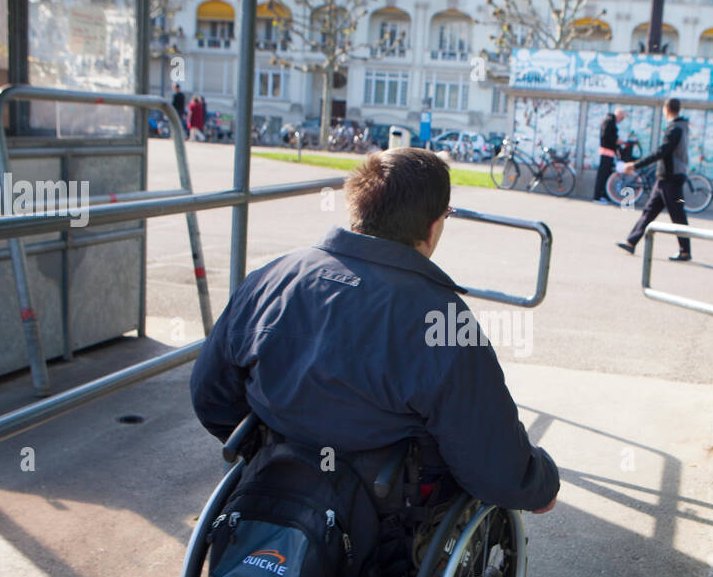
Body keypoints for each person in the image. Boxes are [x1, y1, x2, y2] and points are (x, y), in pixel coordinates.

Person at [190, 147, 559, 516]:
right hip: (387, 519)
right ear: (433, 227)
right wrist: (541, 483)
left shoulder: (271, 279)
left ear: (357, 208)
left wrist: (268, 450)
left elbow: (210, 397)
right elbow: (496, 468)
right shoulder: (445, 322)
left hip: (273, 491)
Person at [615, 97, 691, 261]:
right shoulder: (681, 127)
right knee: (649, 212)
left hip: (671, 178)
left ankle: (685, 251)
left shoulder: (675, 129)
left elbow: (661, 152)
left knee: (677, 215)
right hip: (665, 178)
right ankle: (631, 241)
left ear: (666, 109)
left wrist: (635, 165)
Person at [593, 106, 627, 202]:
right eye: (622, 117)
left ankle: (604, 195)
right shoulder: (609, 122)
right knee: (603, 175)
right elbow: (606, 137)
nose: (622, 120)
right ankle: (597, 196)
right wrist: (616, 141)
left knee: (607, 175)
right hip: (606, 152)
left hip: (609, 153)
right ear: (619, 115)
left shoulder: (610, 122)